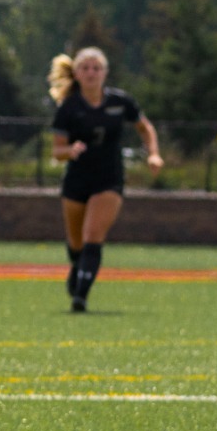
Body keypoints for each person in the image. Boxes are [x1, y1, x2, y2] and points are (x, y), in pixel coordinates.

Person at [48, 47, 162, 312]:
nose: (91, 73)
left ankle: (81, 297)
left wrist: (154, 154)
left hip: (108, 179)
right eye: (85, 68)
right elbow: (56, 150)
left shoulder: (120, 102)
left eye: (96, 68)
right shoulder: (69, 107)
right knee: (76, 244)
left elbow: (145, 128)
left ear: (105, 73)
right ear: (76, 73)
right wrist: (70, 151)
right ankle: (78, 268)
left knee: (92, 235)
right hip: (76, 180)